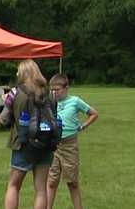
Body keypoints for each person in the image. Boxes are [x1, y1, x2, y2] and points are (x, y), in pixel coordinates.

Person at [0, 59, 53, 209]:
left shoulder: (15, 93)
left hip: (22, 144)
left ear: (23, 73)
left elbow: (4, 120)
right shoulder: (48, 92)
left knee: (14, 186)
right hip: (46, 143)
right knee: (41, 190)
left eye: (18, 71)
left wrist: (6, 103)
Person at [46, 74, 99, 209]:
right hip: (53, 145)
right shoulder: (49, 102)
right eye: (52, 90)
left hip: (69, 145)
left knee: (72, 183)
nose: (54, 92)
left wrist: (83, 126)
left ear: (66, 88)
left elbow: (93, 113)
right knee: (51, 182)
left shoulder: (75, 101)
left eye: (57, 89)